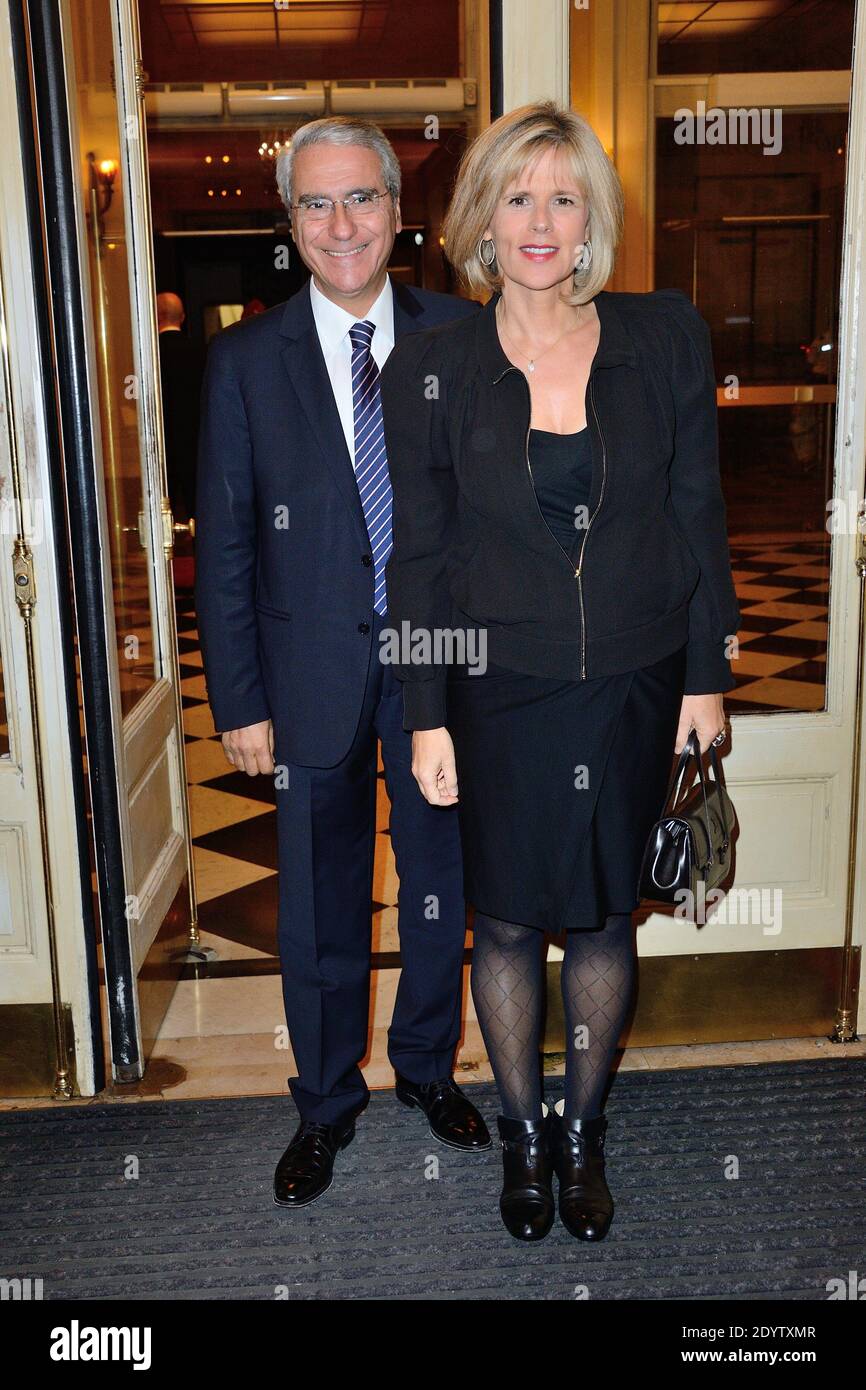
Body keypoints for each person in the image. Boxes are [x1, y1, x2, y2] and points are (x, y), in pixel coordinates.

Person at [379, 101, 741, 1243]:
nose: (539, 221)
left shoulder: (664, 334)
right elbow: (420, 557)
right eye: (517, 196)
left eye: (563, 197)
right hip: (497, 691)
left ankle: (581, 1134)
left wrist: (703, 674)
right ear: (481, 219)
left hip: (630, 684)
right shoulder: (430, 365)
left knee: (598, 922)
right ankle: (522, 1136)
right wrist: (425, 713)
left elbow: (697, 516)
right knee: (499, 922)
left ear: (591, 221)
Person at [195, 116, 490, 1212]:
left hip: (434, 668)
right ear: (289, 224)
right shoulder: (241, 362)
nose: (340, 224)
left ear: (397, 211)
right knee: (318, 906)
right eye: (314, 204)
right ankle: (324, 1102)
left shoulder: (463, 340)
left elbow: (485, 522)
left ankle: (424, 1068)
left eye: (359, 197)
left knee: (434, 887)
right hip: (303, 671)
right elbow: (222, 544)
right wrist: (240, 699)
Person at [156, 292, 205, 521]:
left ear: (156, 316)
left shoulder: (150, 356)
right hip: (196, 439)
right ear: (183, 317)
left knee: (162, 507)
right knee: (198, 506)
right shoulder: (202, 351)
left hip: (159, 442)